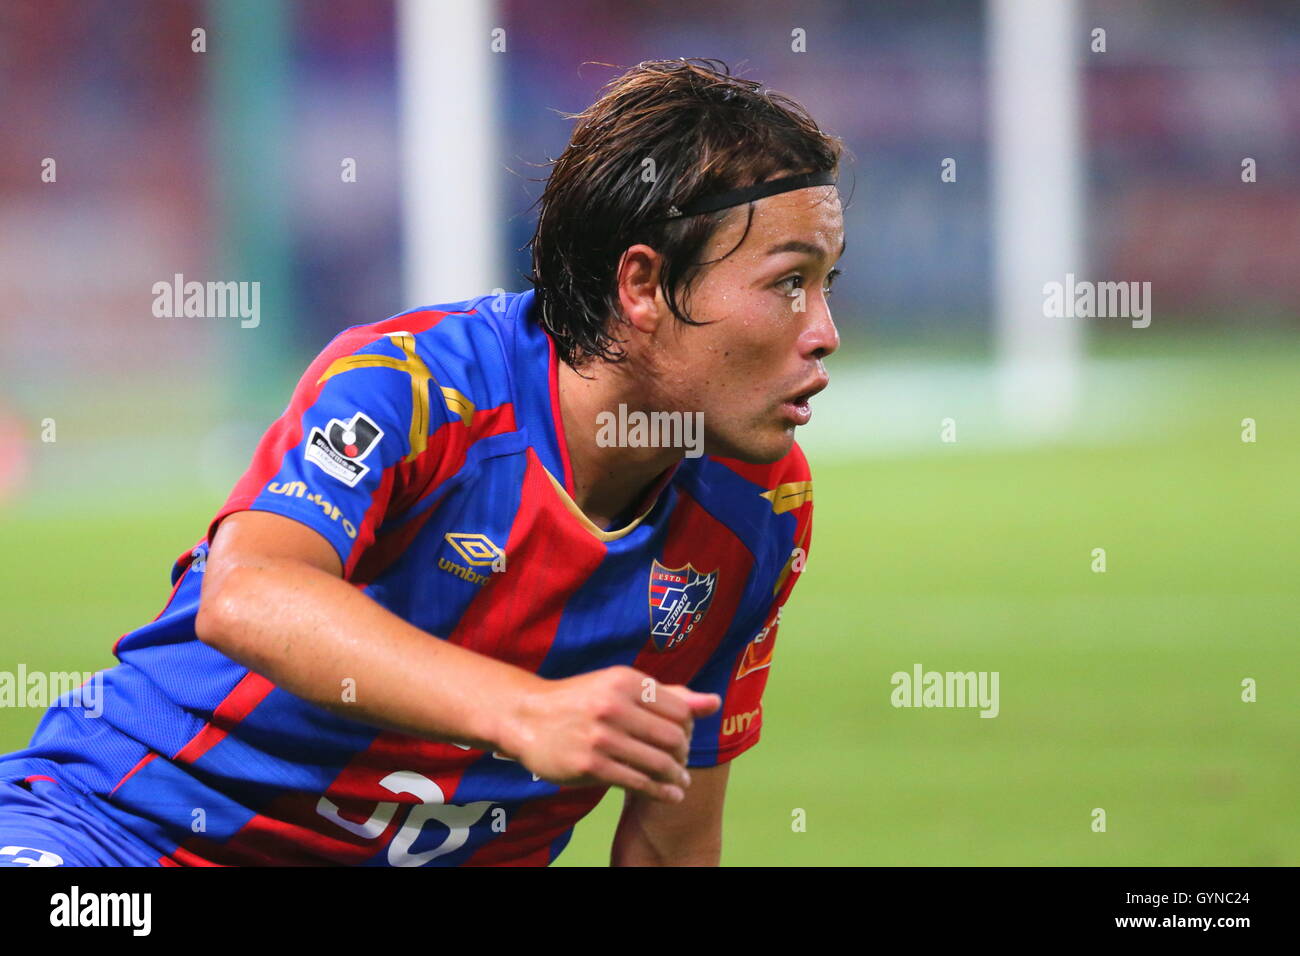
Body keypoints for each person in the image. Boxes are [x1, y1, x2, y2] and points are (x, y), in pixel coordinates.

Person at [0, 57, 845, 867]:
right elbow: (247, 594)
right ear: (643, 285)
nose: (824, 333)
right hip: (119, 833)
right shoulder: (415, 386)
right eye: (786, 284)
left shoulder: (760, 507)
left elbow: (672, 843)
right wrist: (522, 710)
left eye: (828, 285)